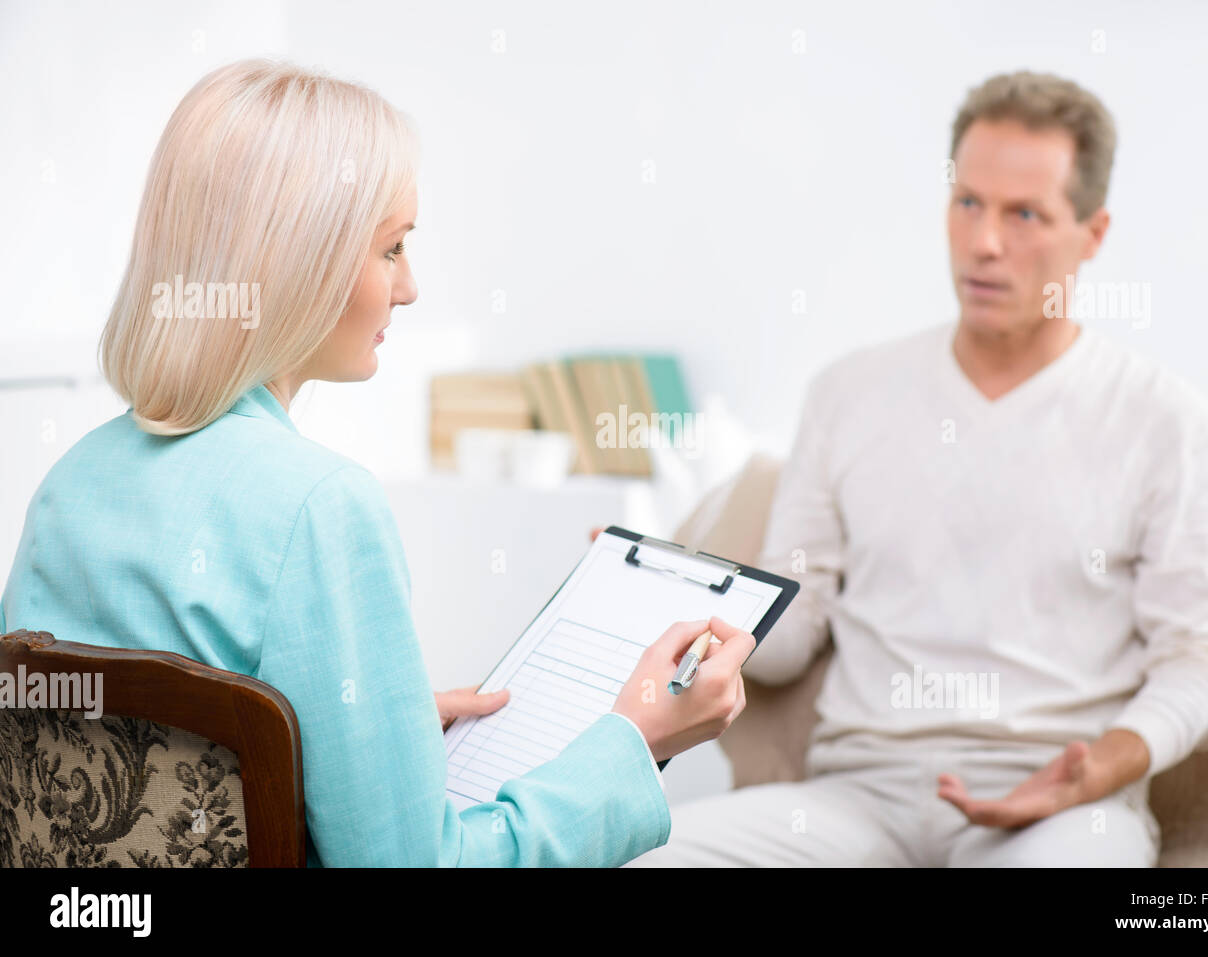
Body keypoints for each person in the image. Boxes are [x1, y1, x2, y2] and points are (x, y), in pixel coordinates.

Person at [0, 58, 754, 867]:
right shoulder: (321, 507)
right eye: (392, 248)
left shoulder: (68, 485)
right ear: (299, 261)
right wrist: (632, 744)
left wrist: (341, 741)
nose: (411, 288)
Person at [627, 71, 1208, 867]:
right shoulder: (848, 393)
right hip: (856, 800)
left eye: (1025, 214)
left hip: (1058, 811)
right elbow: (793, 627)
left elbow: (1205, 661)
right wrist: (665, 589)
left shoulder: (1168, 423)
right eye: (968, 203)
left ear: (1093, 234)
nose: (985, 242)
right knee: (639, 856)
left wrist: (1107, 762)